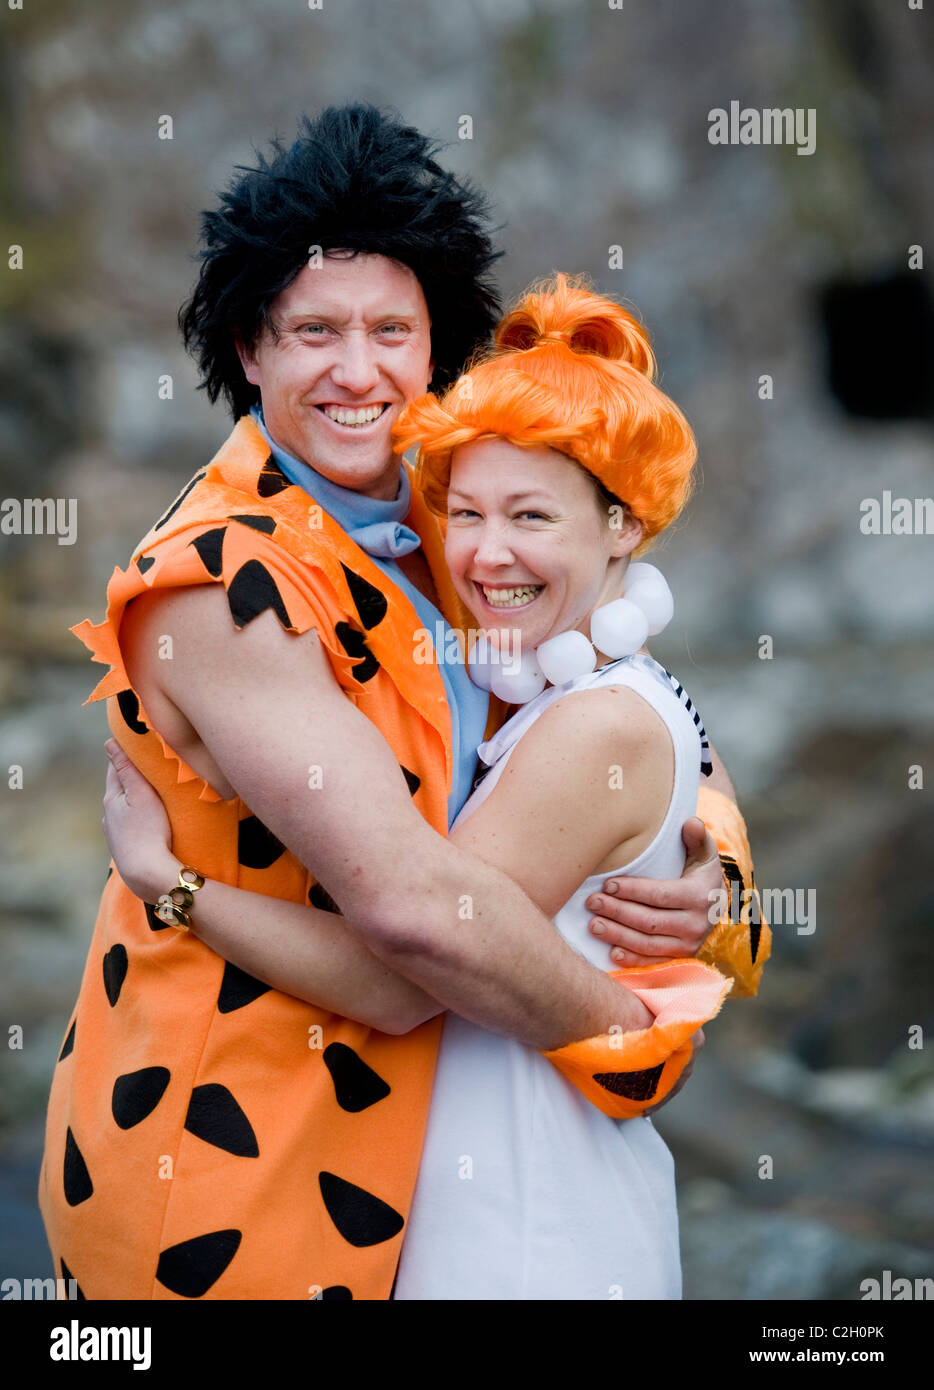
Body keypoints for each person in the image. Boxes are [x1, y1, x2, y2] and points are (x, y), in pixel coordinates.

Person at [40, 106, 767, 1301]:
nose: (359, 370)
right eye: (314, 331)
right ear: (251, 349)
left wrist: (720, 880)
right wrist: (638, 1039)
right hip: (234, 1151)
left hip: (425, 1142)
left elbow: (639, 718)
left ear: (441, 348)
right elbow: (413, 928)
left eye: (393, 329)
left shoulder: (452, 521)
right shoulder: (228, 584)